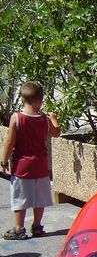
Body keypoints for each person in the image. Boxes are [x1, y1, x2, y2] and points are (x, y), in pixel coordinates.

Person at [1, 82, 61, 240]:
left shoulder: (17, 118)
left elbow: (9, 142)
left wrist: (4, 161)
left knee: (20, 198)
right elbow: (56, 133)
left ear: (22, 99)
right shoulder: (45, 120)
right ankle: (37, 226)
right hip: (41, 166)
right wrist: (54, 118)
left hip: (22, 167)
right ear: (40, 101)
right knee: (39, 198)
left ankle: (19, 228)